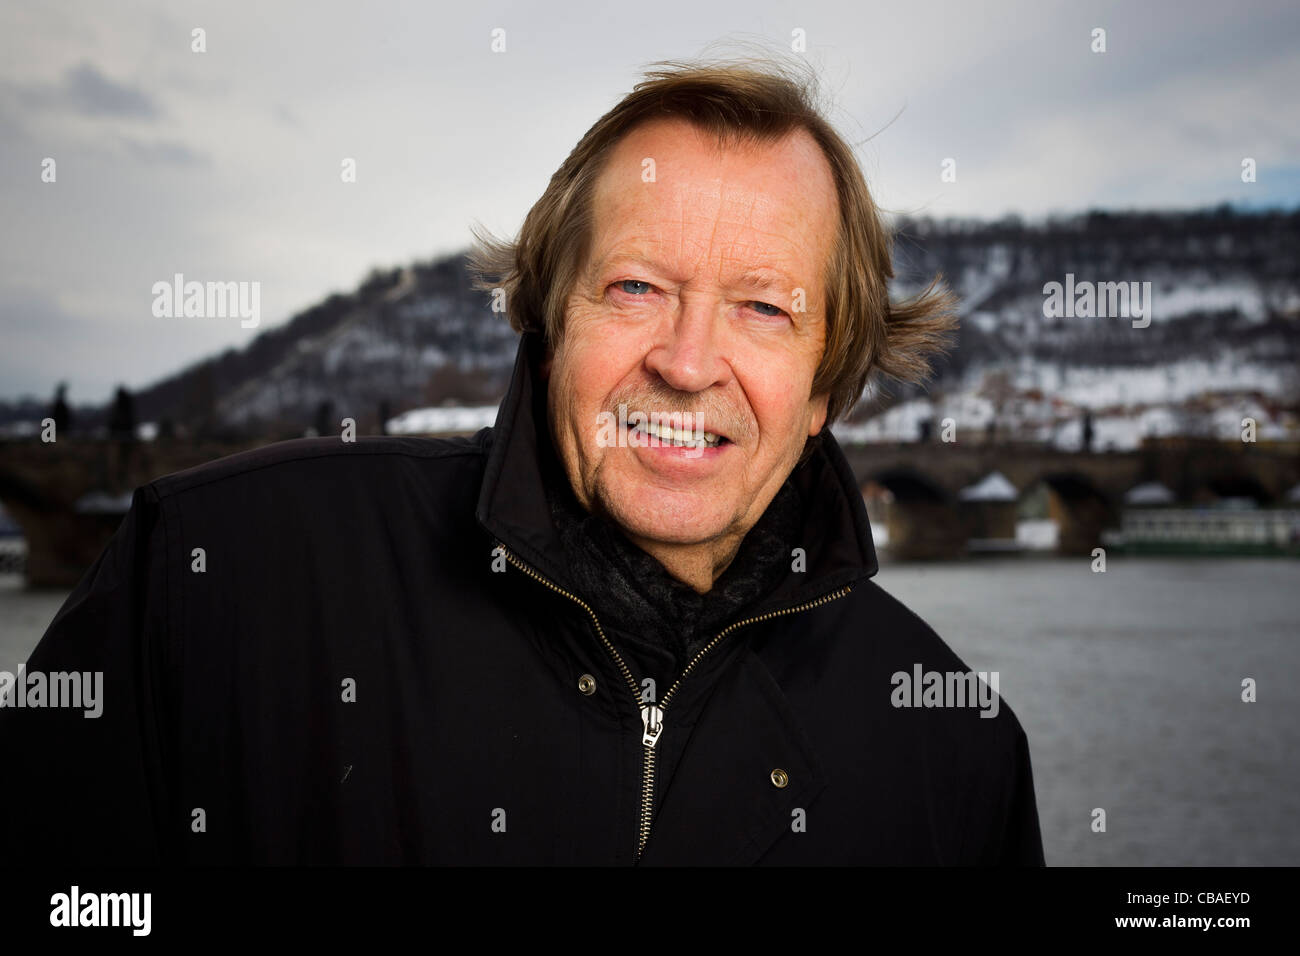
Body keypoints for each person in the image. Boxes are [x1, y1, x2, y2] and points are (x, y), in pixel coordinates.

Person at [0, 57, 1043, 865]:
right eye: (634, 287)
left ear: (827, 384)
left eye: (764, 307)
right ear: (547, 318)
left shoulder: (953, 749)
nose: (685, 363)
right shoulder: (223, 573)